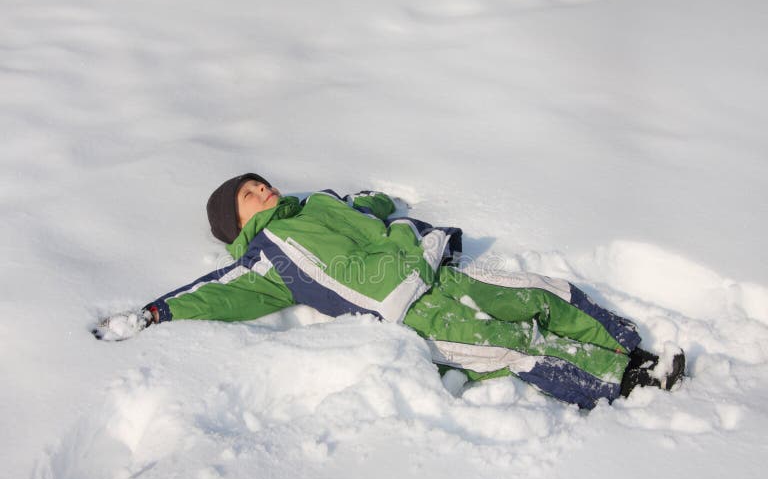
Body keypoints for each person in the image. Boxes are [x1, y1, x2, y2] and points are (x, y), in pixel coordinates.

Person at [93, 173, 685, 409]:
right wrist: (154, 313)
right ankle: (626, 381)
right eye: (249, 194)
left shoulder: (317, 202)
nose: (263, 190)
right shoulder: (265, 259)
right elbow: (215, 294)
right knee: (510, 344)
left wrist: (381, 202)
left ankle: (629, 347)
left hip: (437, 270)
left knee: (541, 293)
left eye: (261, 182)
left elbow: (362, 206)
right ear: (236, 222)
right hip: (416, 312)